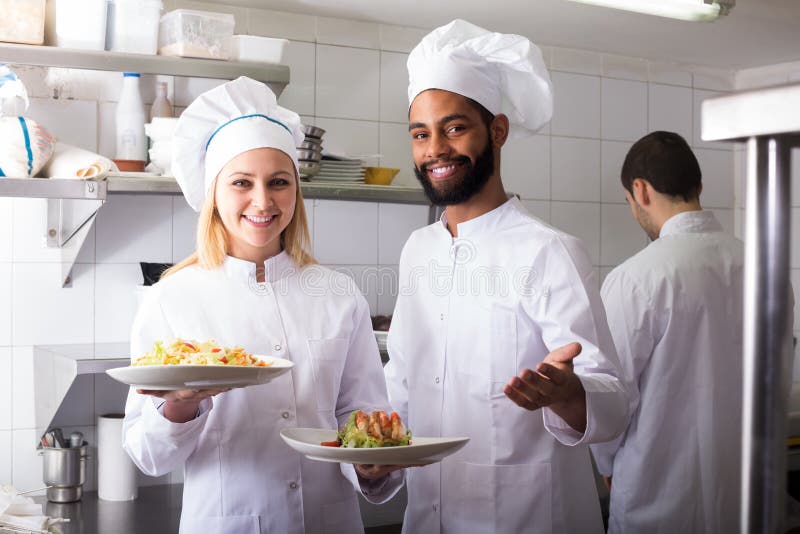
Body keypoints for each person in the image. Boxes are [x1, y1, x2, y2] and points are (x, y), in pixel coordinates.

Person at [122, 76, 402, 534]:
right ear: (214, 193)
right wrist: (179, 408)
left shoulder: (338, 294)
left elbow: (361, 413)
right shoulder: (173, 298)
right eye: (241, 182)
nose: (262, 201)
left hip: (329, 520)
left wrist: (373, 466)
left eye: (278, 182)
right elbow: (149, 456)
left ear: (296, 190)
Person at [380, 19, 629, 533]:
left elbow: (613, 399)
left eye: (454, 128)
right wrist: (377, 452)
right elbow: (402, 383)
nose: (435, 150)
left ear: (497, 131)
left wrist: (568, 394)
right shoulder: (418, 250)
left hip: (527, 516)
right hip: (428, 515)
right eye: (421, 134)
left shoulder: (549, 251)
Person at [590, 130, 745, 533]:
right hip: (746, 501)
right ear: (699, 187)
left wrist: (607, 464)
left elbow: (609, 397)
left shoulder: (636, 279)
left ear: (639, 191)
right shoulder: (763, 267)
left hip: (656, 504)